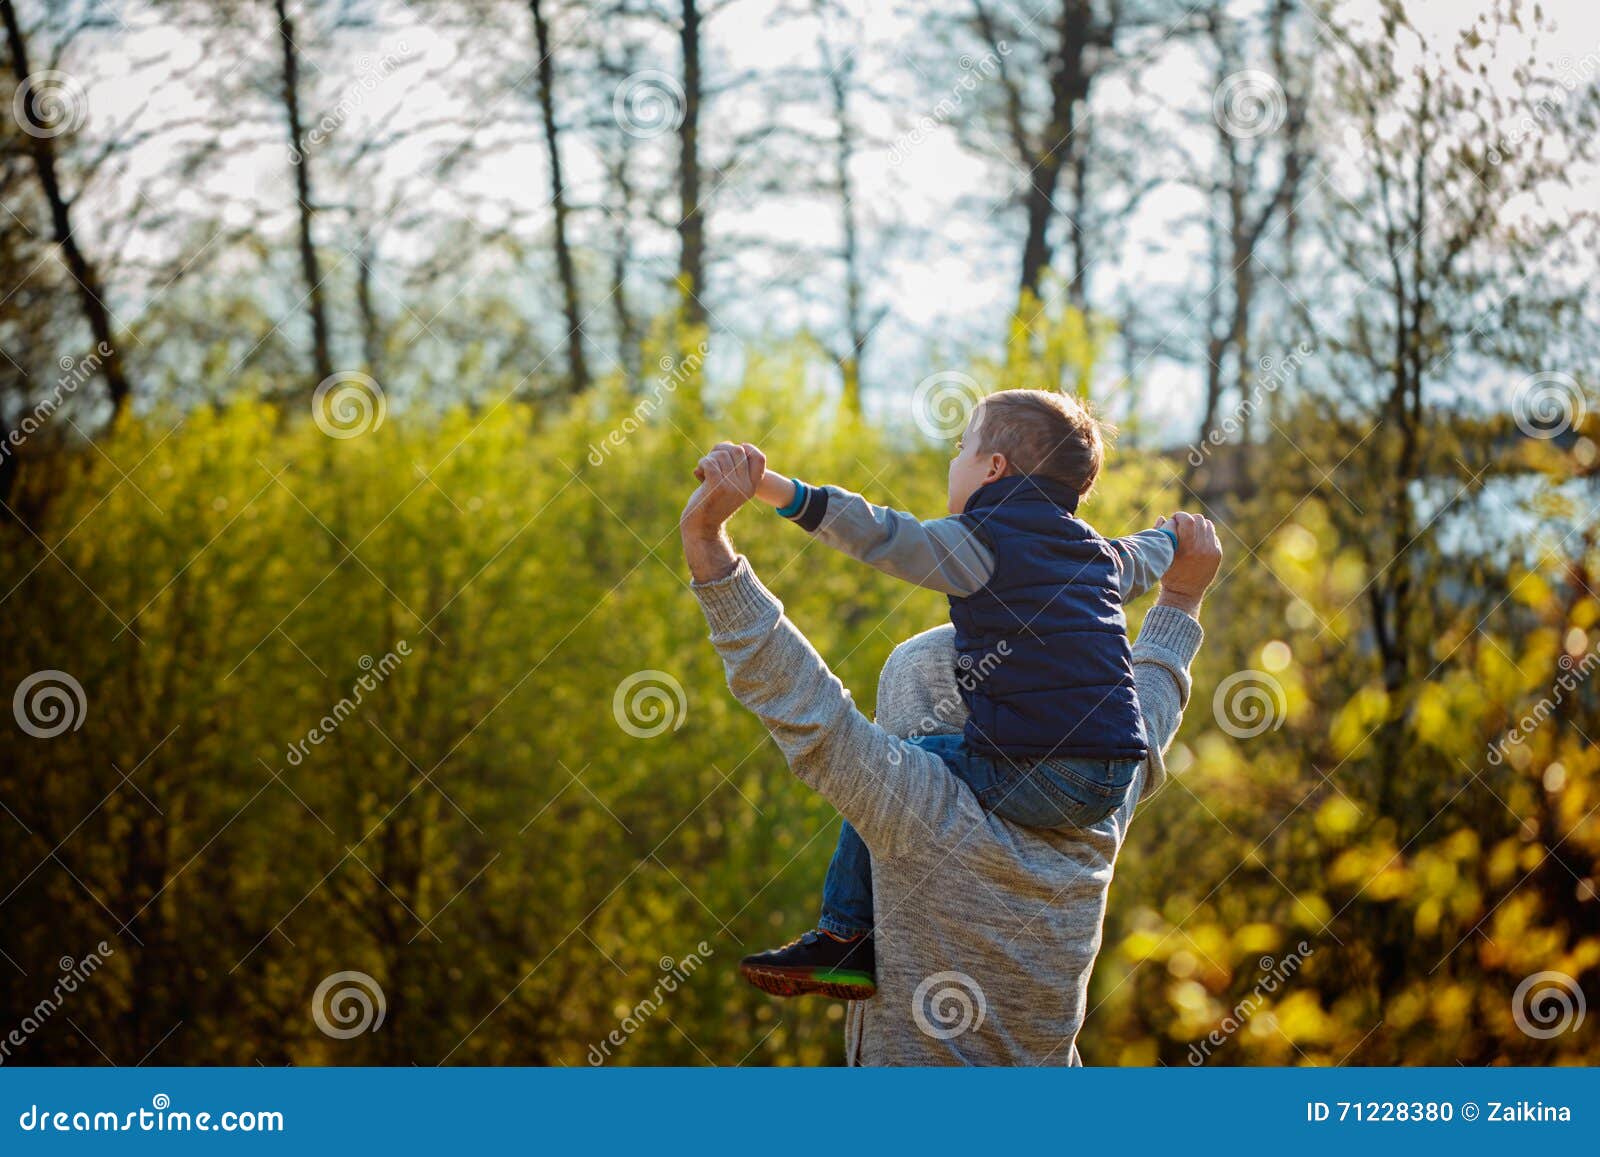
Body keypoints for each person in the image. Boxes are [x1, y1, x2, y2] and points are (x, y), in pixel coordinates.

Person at [681, 441, 1221, 1064]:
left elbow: (805, 705)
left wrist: (707, 541)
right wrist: (1181, 595)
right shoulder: (1104, 788)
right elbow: (1148, 705)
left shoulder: (917, 805)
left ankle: (842, 936)